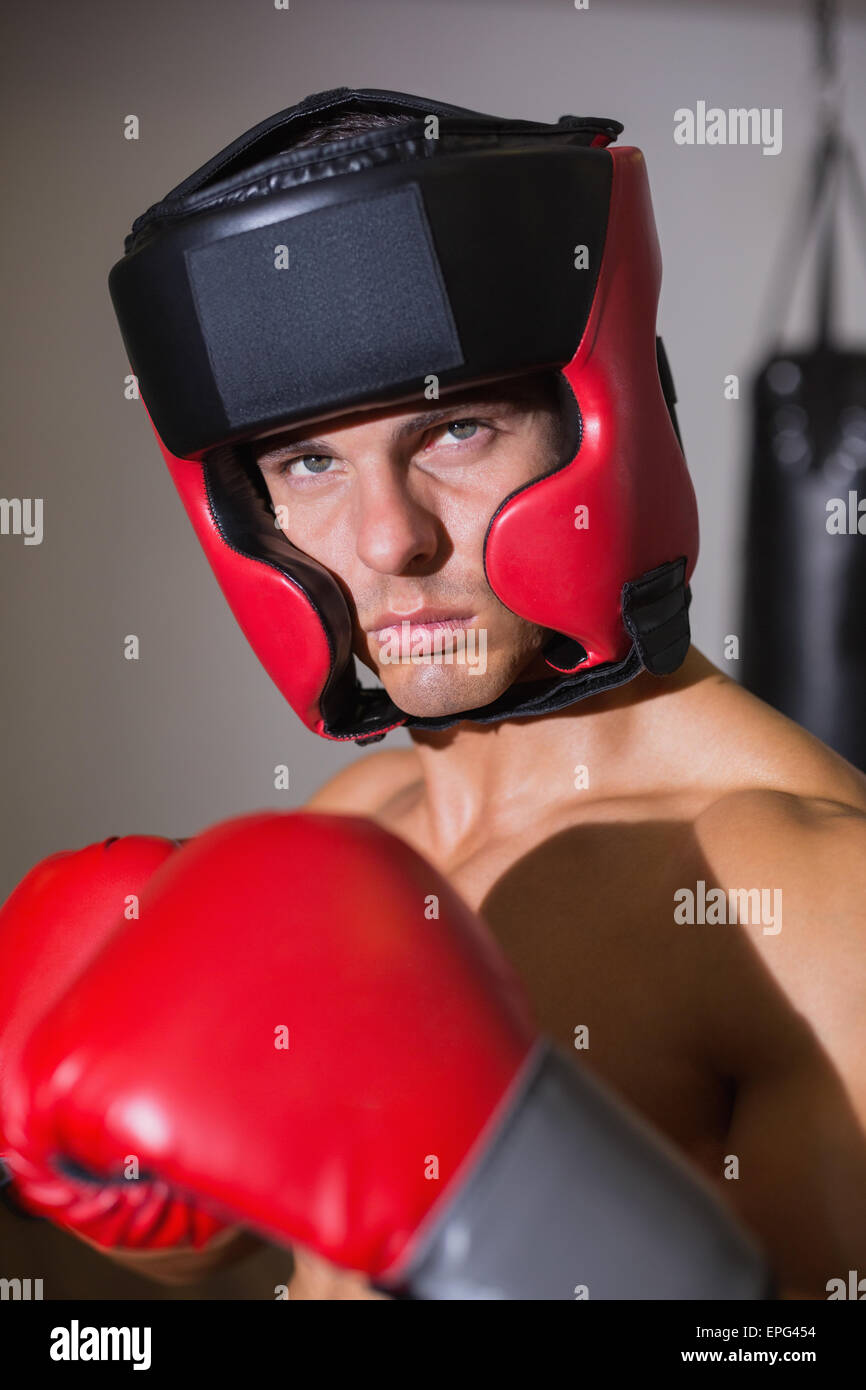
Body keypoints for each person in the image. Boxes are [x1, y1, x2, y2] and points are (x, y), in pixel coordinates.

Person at [4, 89, 866, 1300]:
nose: (385, 540)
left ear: (595, 417)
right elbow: (246, 1254)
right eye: (309, 460)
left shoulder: (809, 900)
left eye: (454, 430)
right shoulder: (351, 828)